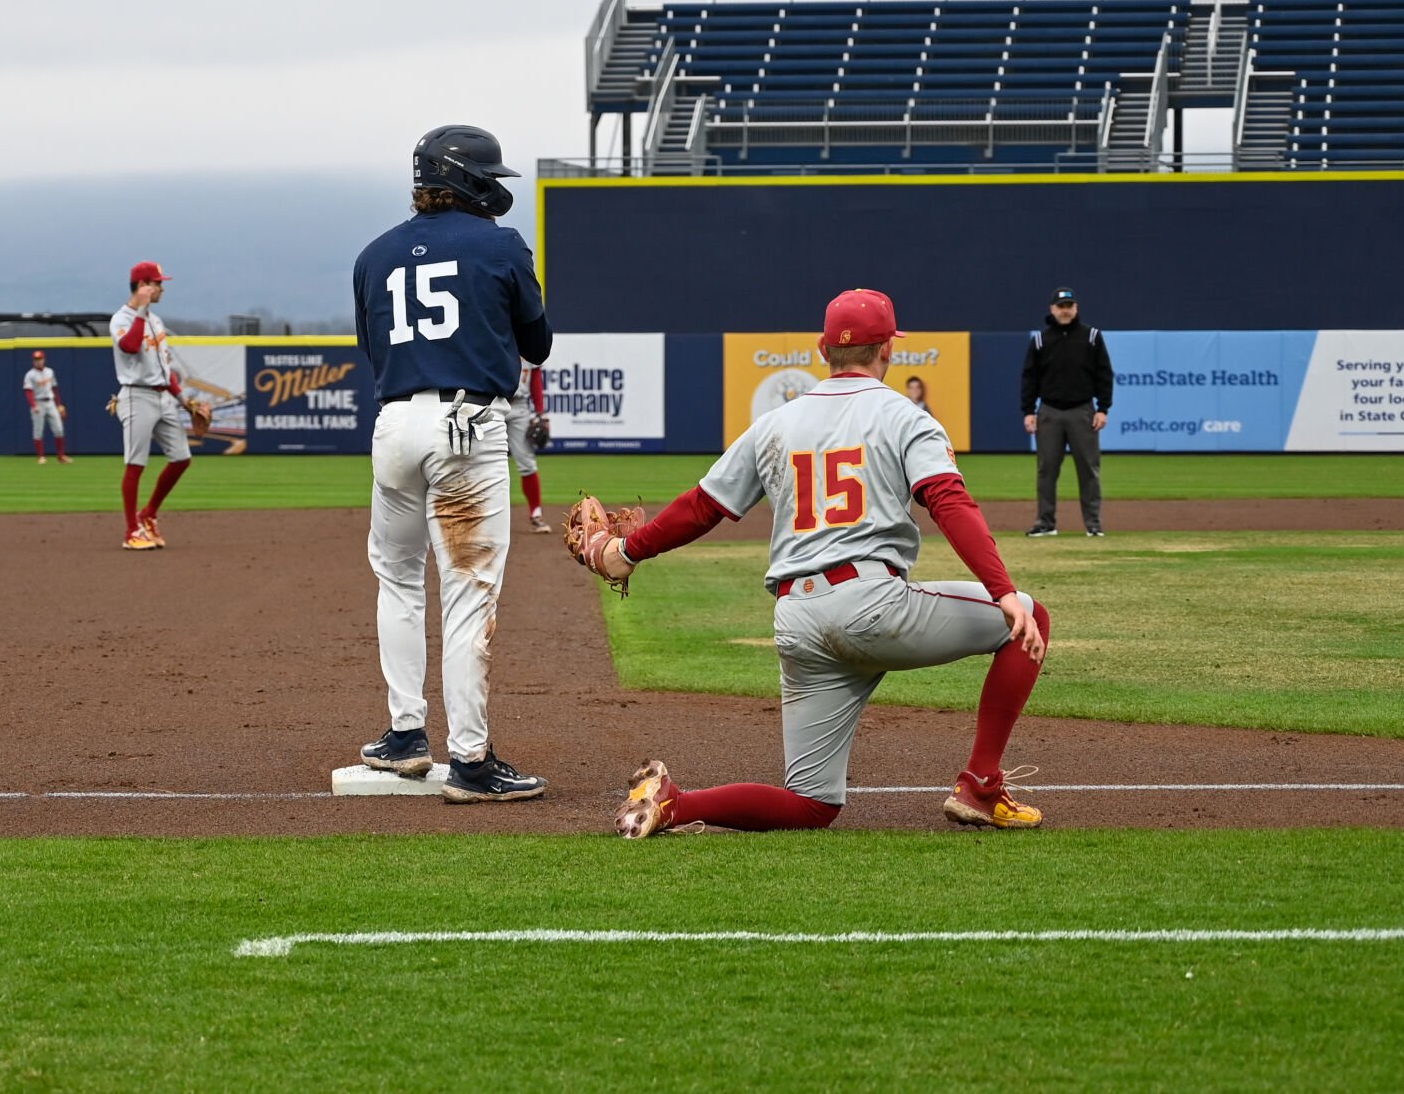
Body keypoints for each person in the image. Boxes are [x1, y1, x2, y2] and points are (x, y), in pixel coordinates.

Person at [599, 289, 1051, 838]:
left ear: (822, 349)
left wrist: (626, 552)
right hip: (874, 608)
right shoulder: (903, 416)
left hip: (799, 622)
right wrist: (1001, 590)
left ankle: (677, 803)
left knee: (810, 804)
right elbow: (948, 501)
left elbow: (703, 507)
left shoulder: (776, 423)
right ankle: (980, 786)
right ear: (888, 349)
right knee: (1031, 618)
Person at [352, 124, 553, 802]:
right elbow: (538, 341)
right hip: (466, 426)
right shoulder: (498, 245)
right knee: (468, 593)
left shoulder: (373, 254)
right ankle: (470, 761)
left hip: (394, 424)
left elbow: (373, 348)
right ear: (467, 181)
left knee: (398, 579)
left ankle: (404, 734)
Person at [110, 262, 192, 551]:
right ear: (142, 285)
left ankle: (149, 514)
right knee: (135, 464)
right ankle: (132, 531)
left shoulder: (155, 320)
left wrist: (184, 400)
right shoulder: (121, 319)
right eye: (156, 283)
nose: (161, 288)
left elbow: (164, 368)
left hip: (162, 396)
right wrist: (141, 311)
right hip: (136, 396)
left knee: (182, 458)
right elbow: (130, 347)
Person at [1021, 285, 1113, 538]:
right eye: (1061, 307)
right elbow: (1030, 378)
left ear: (1076, 308)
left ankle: (1093, 524)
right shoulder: (1040, 340)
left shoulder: (1092, 336)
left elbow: (1105, 374)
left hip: (1083, 410)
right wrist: (1029, 411)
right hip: (1049, 411)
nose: (1065, 311)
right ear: (1052, 309)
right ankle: (1045, 523)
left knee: (1089, 469)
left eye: (1069, 306)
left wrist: (1103, 408)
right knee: (1046, 470)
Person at [505, 361, 552, 533]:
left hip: (519, 406)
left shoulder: (528, 341)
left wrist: (540, 412)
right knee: (481, 461)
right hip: (492, 402)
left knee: (527, 463)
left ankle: (536, 514)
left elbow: (536, 377)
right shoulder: (493, 335)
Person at [23, 349, 72, 464]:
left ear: (44, 360)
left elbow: (54, 388)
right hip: (38, 403)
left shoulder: (50, 372)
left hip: (50, 402)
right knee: (38, 431)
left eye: (40, 359)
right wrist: (33, 405)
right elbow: (28, 392)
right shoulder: (30, 374)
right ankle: (41, 457)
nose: (38, 362)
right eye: (36, 360)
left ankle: (61, 456)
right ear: (33, 361)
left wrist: (59, 404)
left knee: (59, 429)